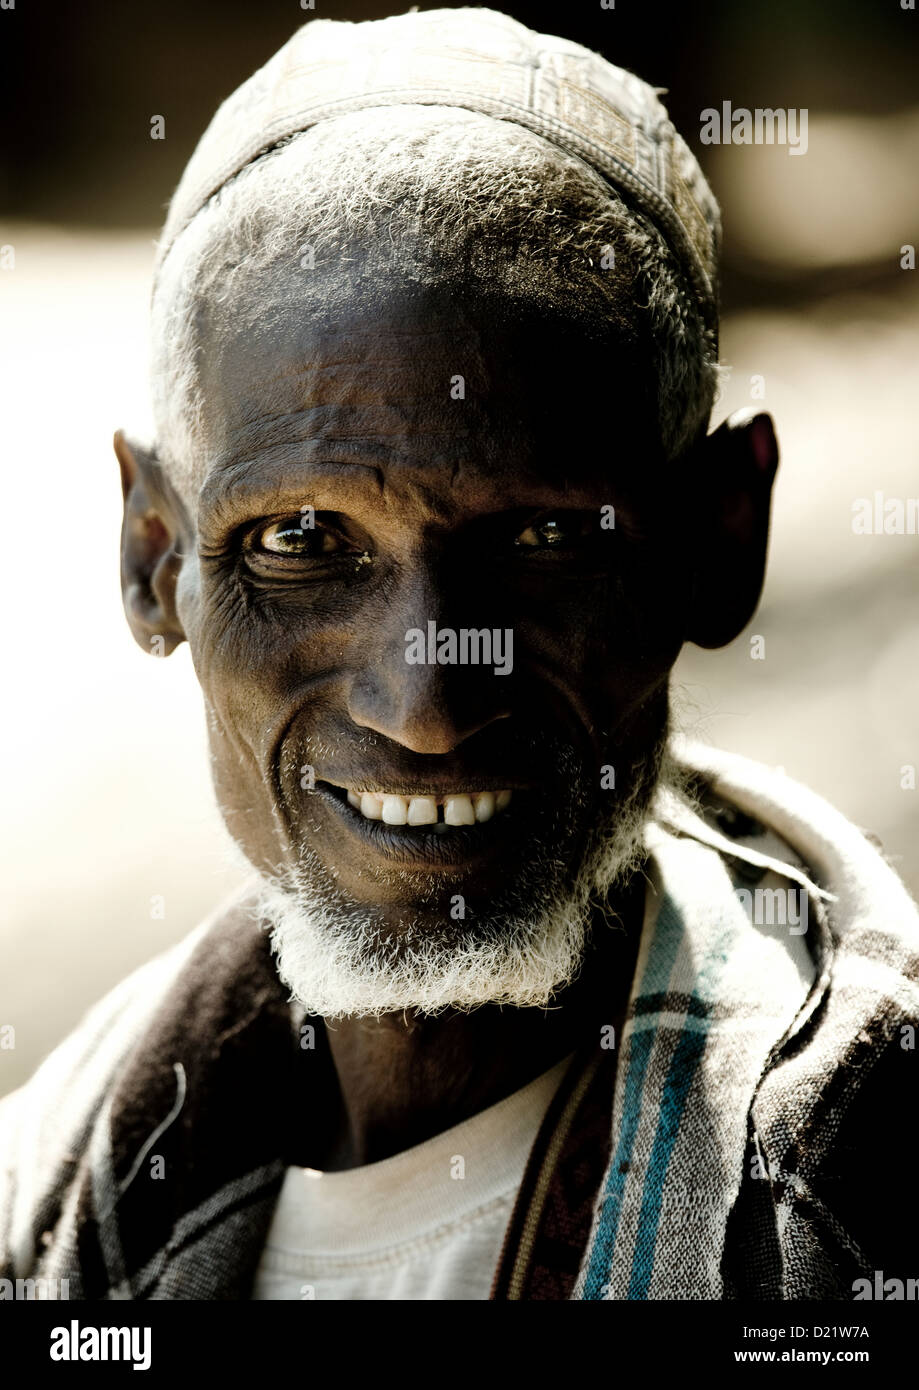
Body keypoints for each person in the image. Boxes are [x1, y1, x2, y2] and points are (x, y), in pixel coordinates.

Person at [2, 8, 916, 1302]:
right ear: (155, 558)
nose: (427, 706)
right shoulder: (51, 1202)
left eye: (545, 538)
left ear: (718, 543)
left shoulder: (867, 1192)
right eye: (303, 539)